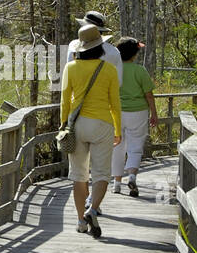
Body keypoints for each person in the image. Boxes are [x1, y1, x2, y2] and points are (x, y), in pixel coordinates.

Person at [60, 23, 121, 237]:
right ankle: (92, 209)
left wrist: (63, 124)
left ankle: (80, 222)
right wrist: (118, 129)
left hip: (77, 125)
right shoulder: (110, 70)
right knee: (102, 173)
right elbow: (115, 103)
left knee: (79, 175)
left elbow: (65, 101)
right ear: (101, 47)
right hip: (103, 124)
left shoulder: (71, 68)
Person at [110, 37, 158, 196]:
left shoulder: (113, 70)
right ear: (134, 54)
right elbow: (149, 95)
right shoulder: (140, 71)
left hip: (116, 112)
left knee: (117, 147)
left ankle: (116, 184)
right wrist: (154, 114)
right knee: (135, 147)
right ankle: (131, 176)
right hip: (138, 112)